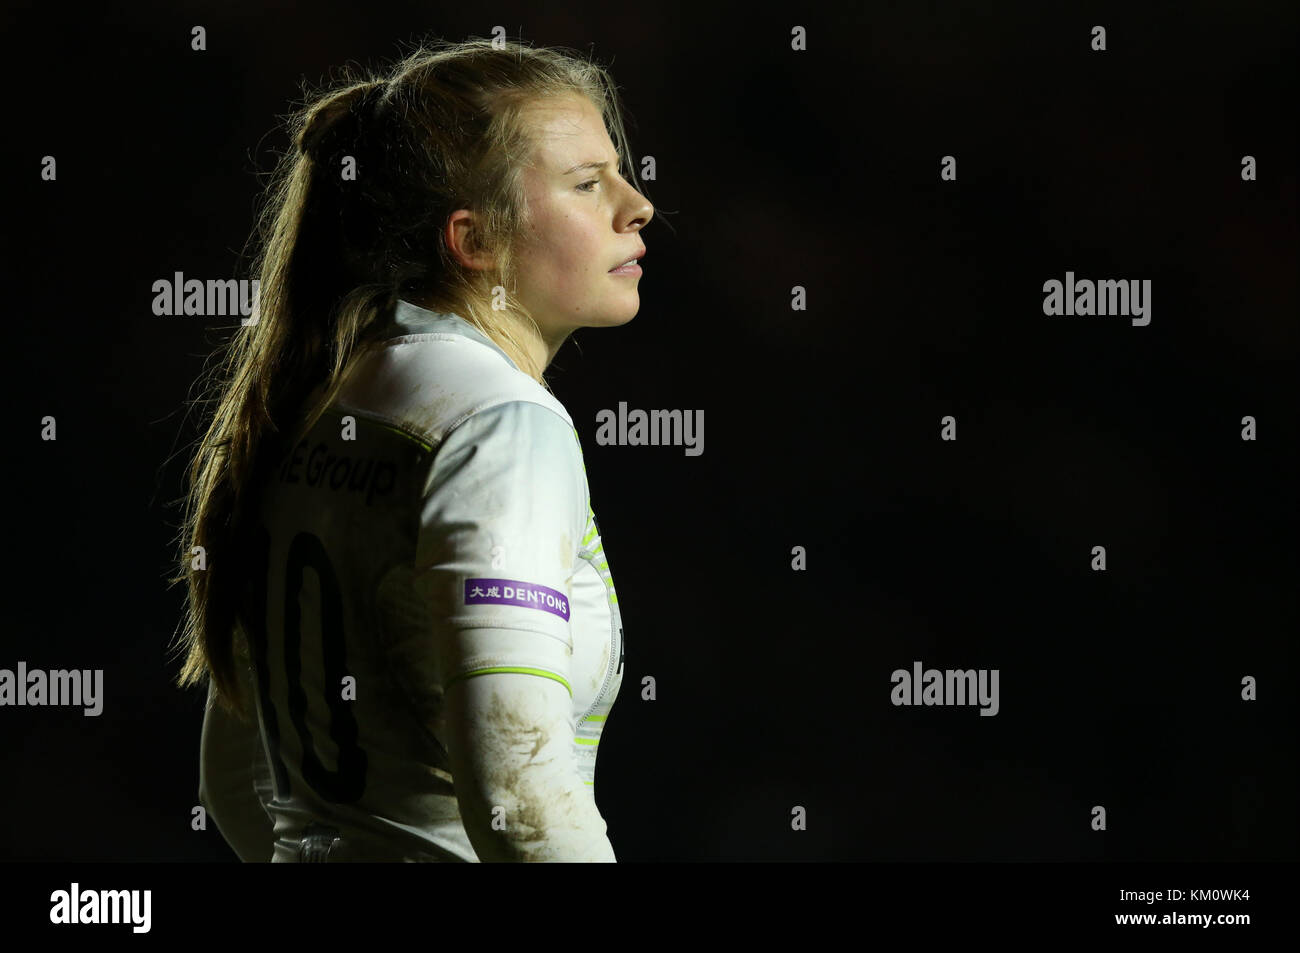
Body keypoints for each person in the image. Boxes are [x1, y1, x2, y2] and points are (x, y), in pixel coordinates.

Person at [168, 36, 655, 862]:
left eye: (620, 169)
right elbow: (521, 796)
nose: (636, 202)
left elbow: (235, 780)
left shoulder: (321, 398)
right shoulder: (500, 423)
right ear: (475, 241)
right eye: (586, 184)